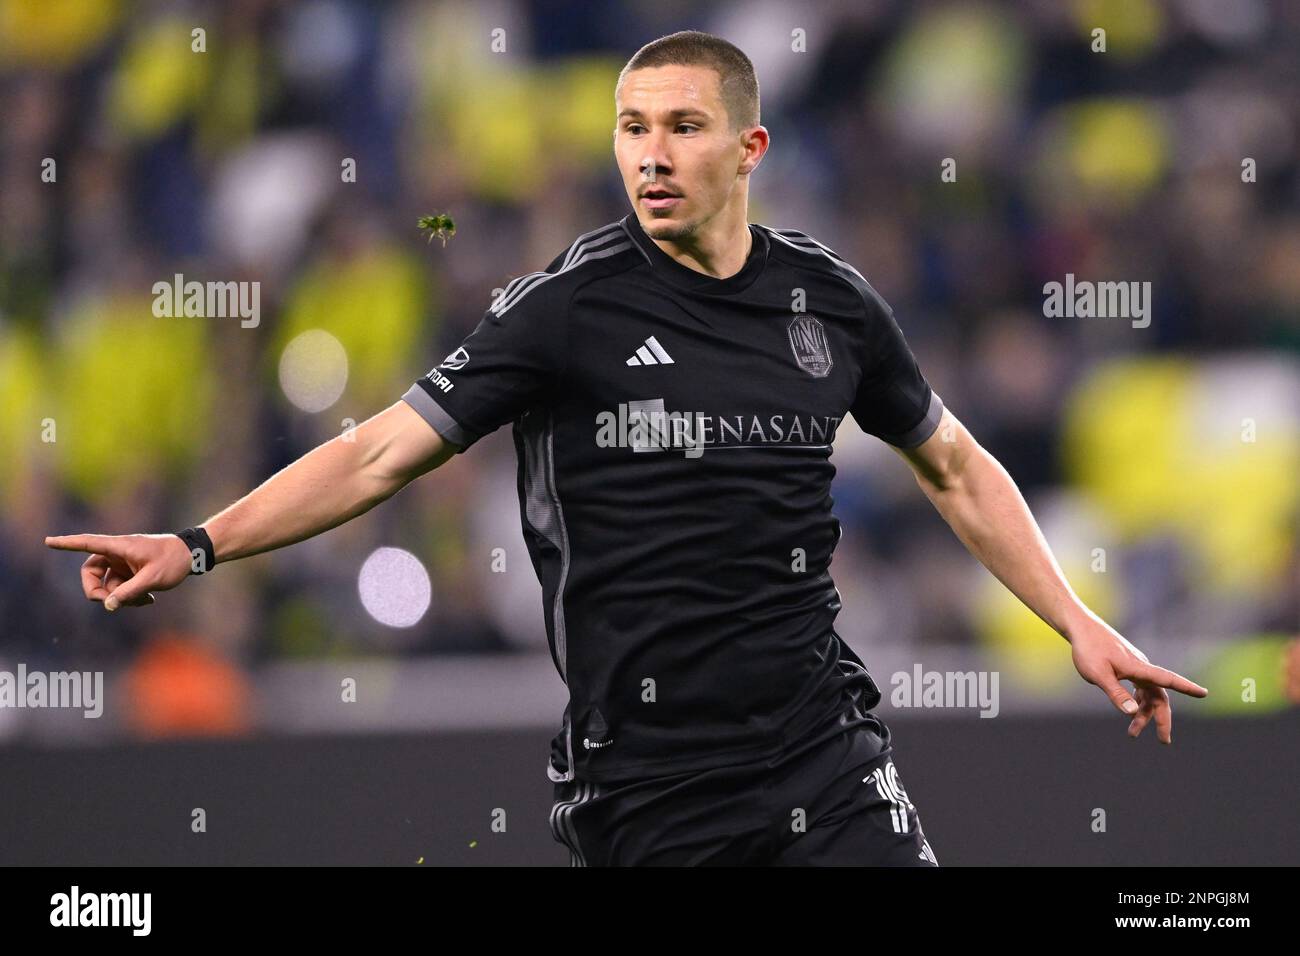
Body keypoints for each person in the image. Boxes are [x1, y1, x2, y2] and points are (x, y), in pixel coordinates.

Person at [45, 31, 1208, 866]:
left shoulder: (830, 305)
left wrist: (1077, 619)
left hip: (820, 748)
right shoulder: (567, 308)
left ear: (748, 145)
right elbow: (376, 454)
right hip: (648, 785)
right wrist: (198, 544)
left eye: (683, 127)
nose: (651, 153)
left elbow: (951, 462)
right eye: (632, 128)